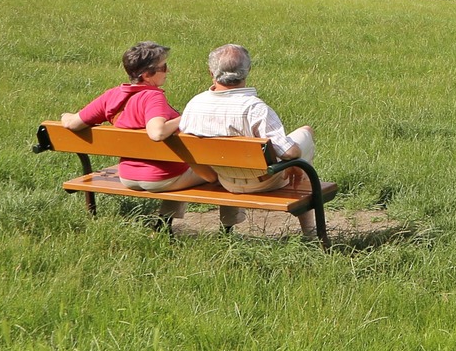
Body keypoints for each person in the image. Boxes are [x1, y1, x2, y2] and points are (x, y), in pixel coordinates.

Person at [177, 44, 322, 235]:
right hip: (265, 181)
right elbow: (289, 152)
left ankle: (227, 229)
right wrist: (296, 162)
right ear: (248, 70)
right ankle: (310, 231)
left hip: (224, 179)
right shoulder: (255, 108)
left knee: (230, 158)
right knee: (305, 133)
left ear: (211, 72)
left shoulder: (195, 105)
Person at [60, 42, 213, 195]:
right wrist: (187, 117)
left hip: (127, 176)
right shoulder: (153, 97)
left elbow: (72, 124)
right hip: (163, 177)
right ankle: (224, 211)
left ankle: (166, 212)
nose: (168, 70)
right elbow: (157, 133)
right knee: (222, 173)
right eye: (164, 67)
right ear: (146, 75)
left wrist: (65, 116)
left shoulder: (112, 95)